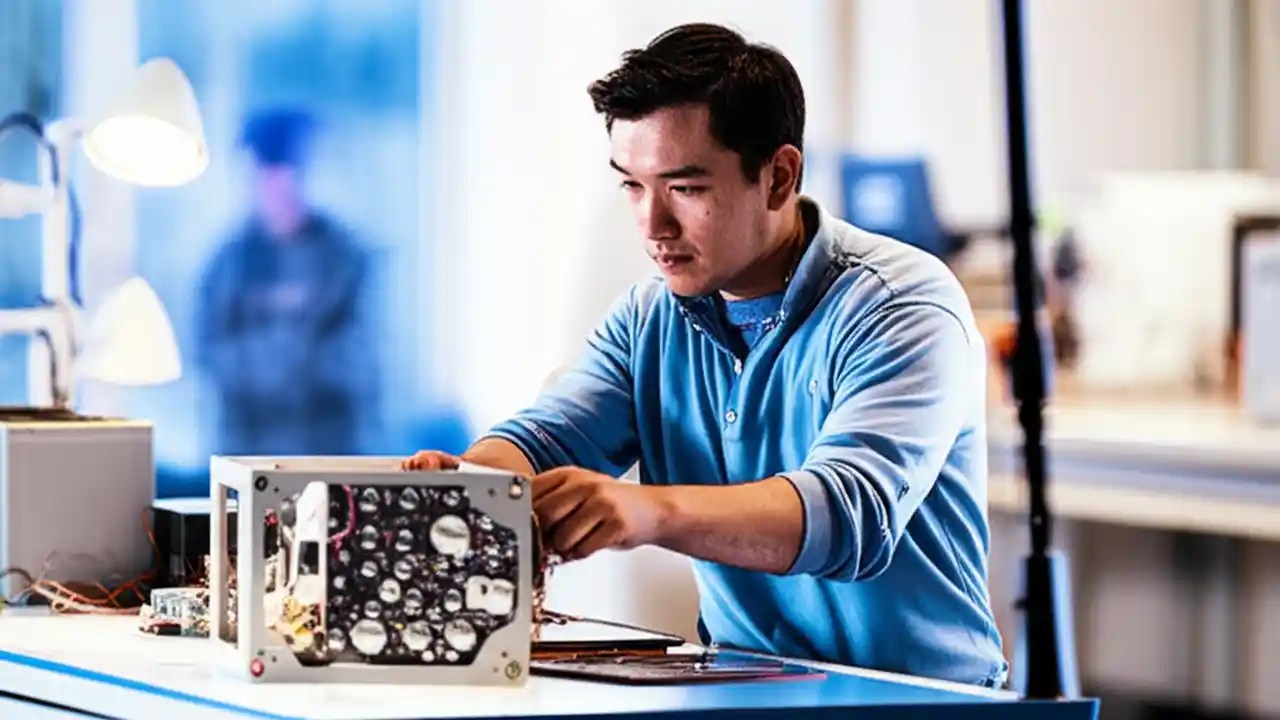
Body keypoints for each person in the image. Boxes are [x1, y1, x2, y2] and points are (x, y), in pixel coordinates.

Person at [404, 23, 1006, 686]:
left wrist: (647, 510)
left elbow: (846, 515)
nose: (652, 226)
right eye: (633, 187)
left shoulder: (901, 305)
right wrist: (472, 483)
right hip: (745, 684)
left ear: (778, 177)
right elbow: (545, 439)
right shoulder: (648, 317)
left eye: (685, 189)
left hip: (919, 698)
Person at [197, 108, 377, 457]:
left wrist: (274, 357)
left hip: (331, 456)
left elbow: (362, 358)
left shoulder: (346, 260)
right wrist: (294, 353)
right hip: (246, 456)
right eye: (266, 178)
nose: (277, 191)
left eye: (287, 176)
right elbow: (209, 356)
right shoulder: (227, 265)